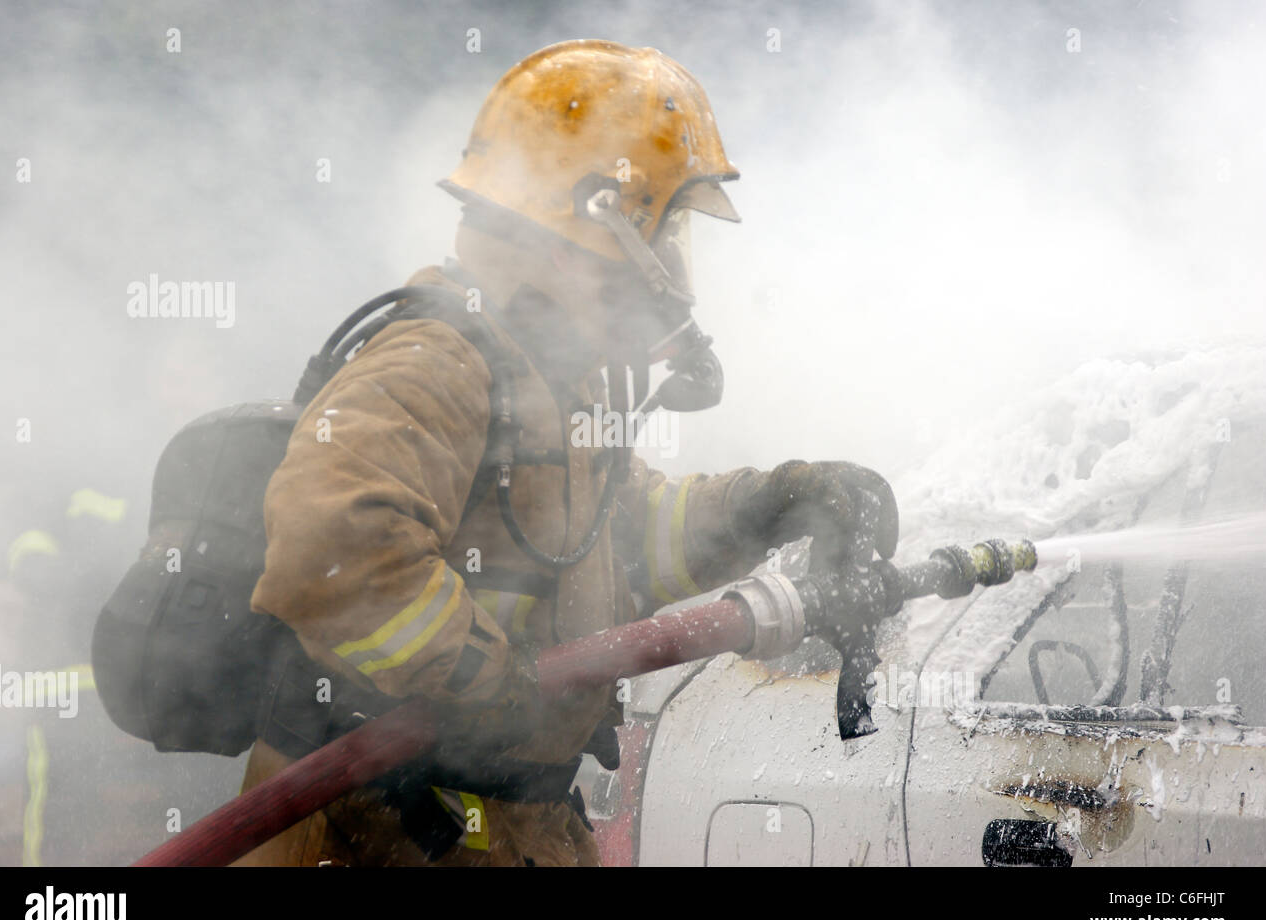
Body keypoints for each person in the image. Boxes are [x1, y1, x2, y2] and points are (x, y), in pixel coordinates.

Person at [236, 39, 896, 867]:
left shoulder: (542, 375)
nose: (670, 266)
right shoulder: (436, 361)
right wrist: (491, 680)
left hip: (495, 823)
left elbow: (603, 539)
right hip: (380, 827)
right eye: (666, 228)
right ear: (591, 222)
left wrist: (772, 502)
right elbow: (330, 554)